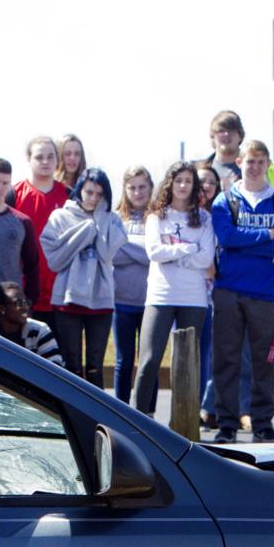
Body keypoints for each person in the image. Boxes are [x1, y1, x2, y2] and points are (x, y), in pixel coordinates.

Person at [210, 139, 274, 444]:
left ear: (267, 164)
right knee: (226, 359)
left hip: (266, 292)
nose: (254, 167)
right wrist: (265, 235)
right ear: (239, 162)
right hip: (229, 289)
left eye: (259, 161)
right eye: (249, 161)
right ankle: (226, 422)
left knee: (263, 362)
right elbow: (227, 237)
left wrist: (248, 242)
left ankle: (262, 422)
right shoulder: (224, 200)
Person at [132, 162, 216, 417]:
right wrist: (188, 249)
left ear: (194, 186)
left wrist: (176, 254)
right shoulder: (157, 216)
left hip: (193, 298)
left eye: (188, 181)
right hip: (161, 295)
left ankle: (185, 420)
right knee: (149, 360)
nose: (182, 186)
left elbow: (207, 258)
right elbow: (155, 252)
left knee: (187, 364)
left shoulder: (203, 218)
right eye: (178, 180)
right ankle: (138, 418)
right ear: (170, 183)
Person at [40, 168, 127, 387]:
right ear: (79, 190)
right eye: (89, 192)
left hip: (101, 299)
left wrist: (97, 221)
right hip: (67, 300)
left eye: (99, 194)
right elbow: (55, 260)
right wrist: (86, 231)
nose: (93, 198)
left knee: (95, 366)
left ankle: (98, 416)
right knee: (73, 365)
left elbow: (107, 254)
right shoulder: (60, 216)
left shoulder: (112, 220)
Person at [13, 136, 69, 325]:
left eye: (50, 156)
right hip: (24, 293)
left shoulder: (69, 195)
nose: (45, 162)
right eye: (39, 157)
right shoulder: (14, 194)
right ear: (28, 159)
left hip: (61, 296)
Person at [112, 165, 154, 404]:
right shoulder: (117, 219)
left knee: (148, 360)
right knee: (123, 361)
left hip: (151, 302)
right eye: (132, 188)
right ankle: (120, 410)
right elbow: (111, 255)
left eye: (142, 187)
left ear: (150, 188)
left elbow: (155, 254)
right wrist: (144, 250)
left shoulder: (159, 216)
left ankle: (147, 412)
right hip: (122, 300)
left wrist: (126, 245)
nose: (137, 192)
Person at [0, 157, 40, 306]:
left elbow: (32, 266)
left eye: (5, 183)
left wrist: (29, 303)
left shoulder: (22, 222)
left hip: (11, 306)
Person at [0, 280, 64, 366]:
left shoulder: (39, 330)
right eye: (18, 303)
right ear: (1, 308)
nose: (25, 307)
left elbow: (55, 367)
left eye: (25, 302)